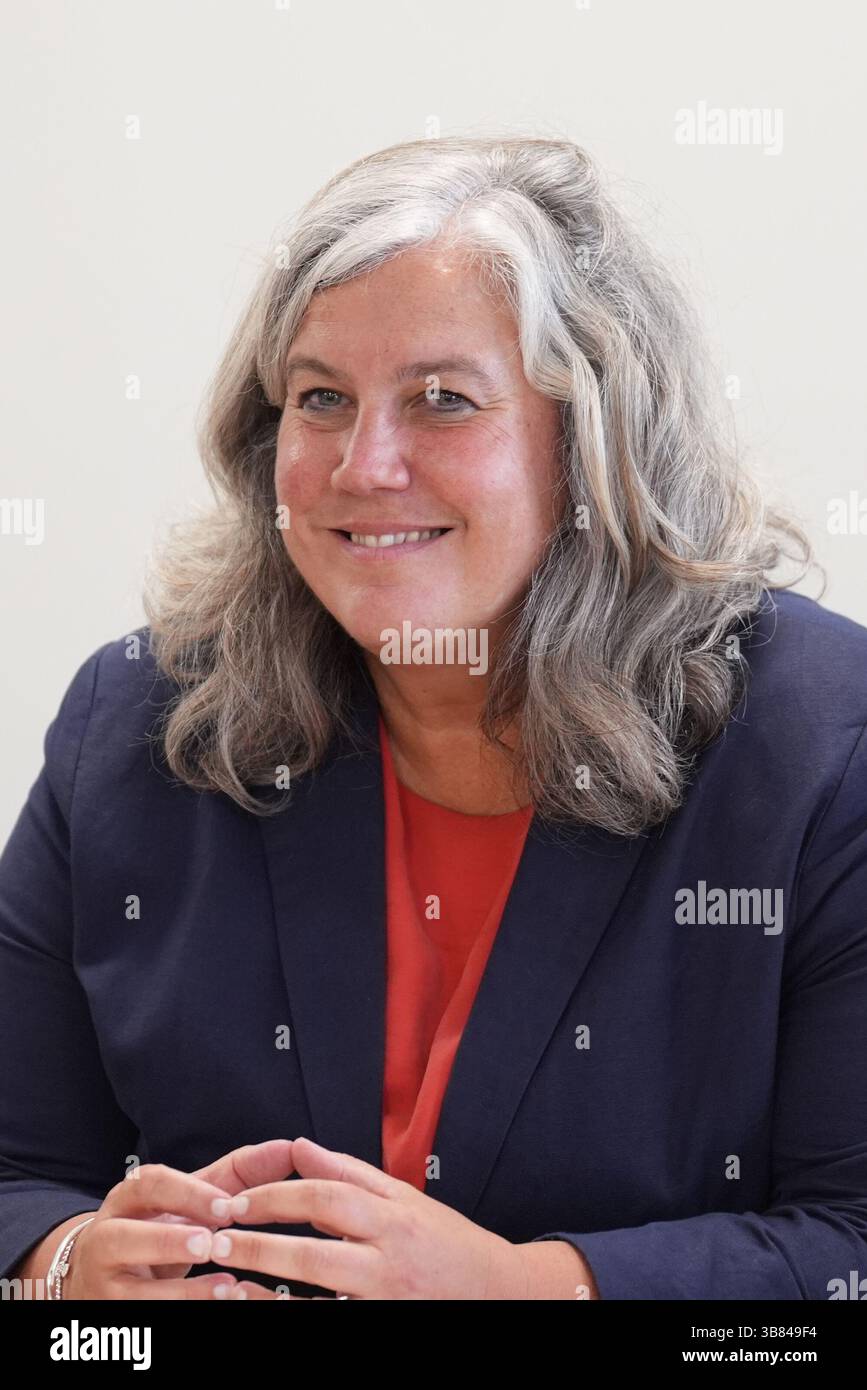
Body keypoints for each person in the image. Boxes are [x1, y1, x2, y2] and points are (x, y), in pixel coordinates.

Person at [1, 134, 866, 1301]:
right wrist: (67, 1275)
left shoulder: (822, 746)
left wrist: (528, 1290)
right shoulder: (142, 719)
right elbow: (17, 1172)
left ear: (592, 438)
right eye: (321, 400)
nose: (367, 463)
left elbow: (848, 1250)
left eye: (443, 400)